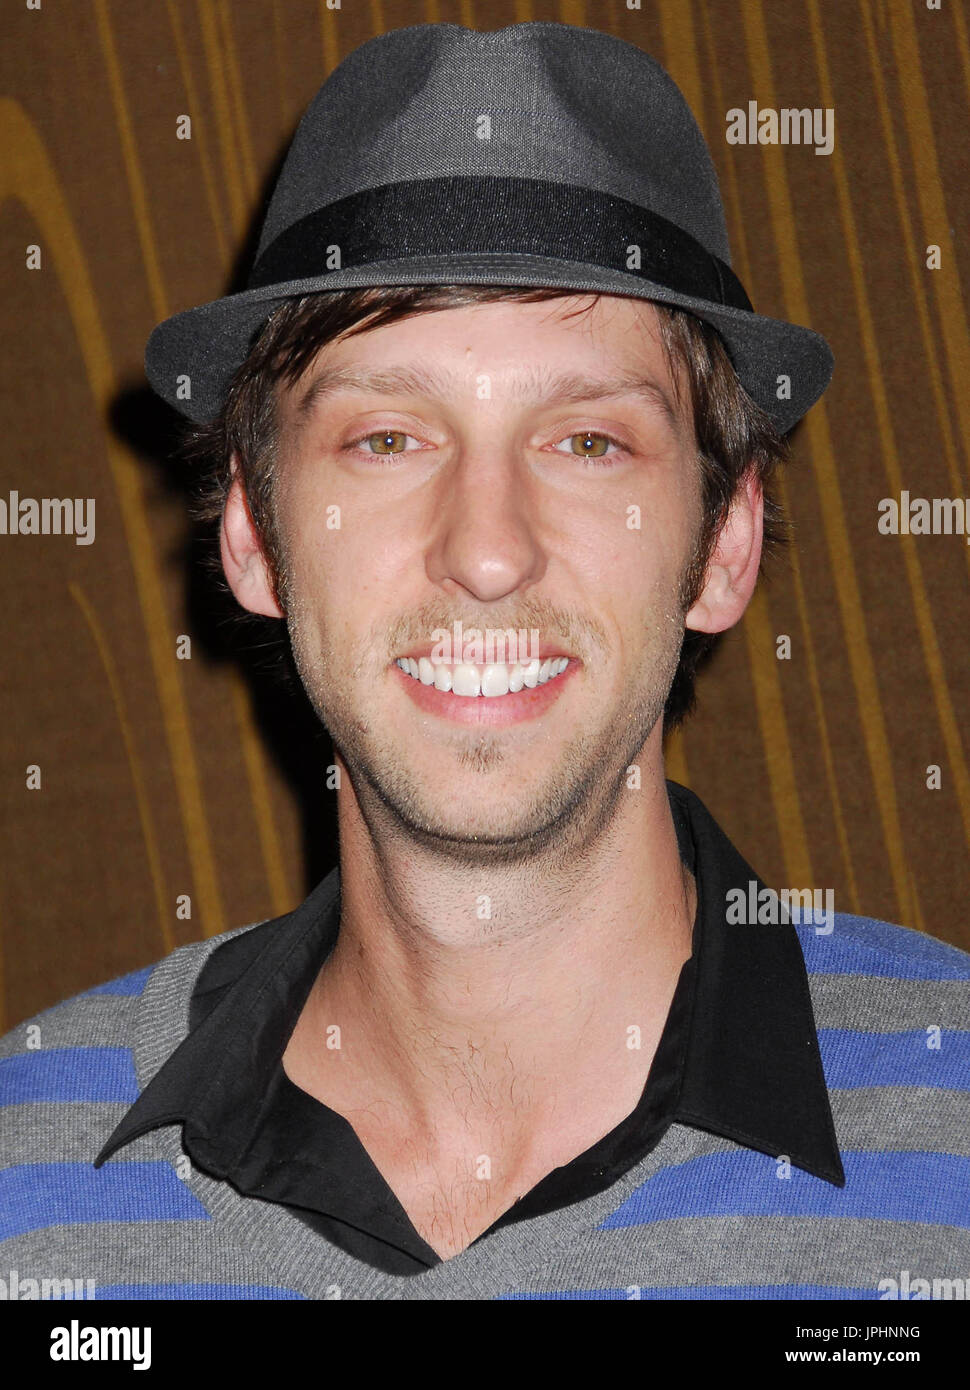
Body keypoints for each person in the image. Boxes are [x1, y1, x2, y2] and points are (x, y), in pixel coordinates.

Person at [2, 20, 968, 1302]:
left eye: (587, 443)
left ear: (724, 543)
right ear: (252, 535)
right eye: (389, 438)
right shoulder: (24, 1186)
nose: (488, 551)